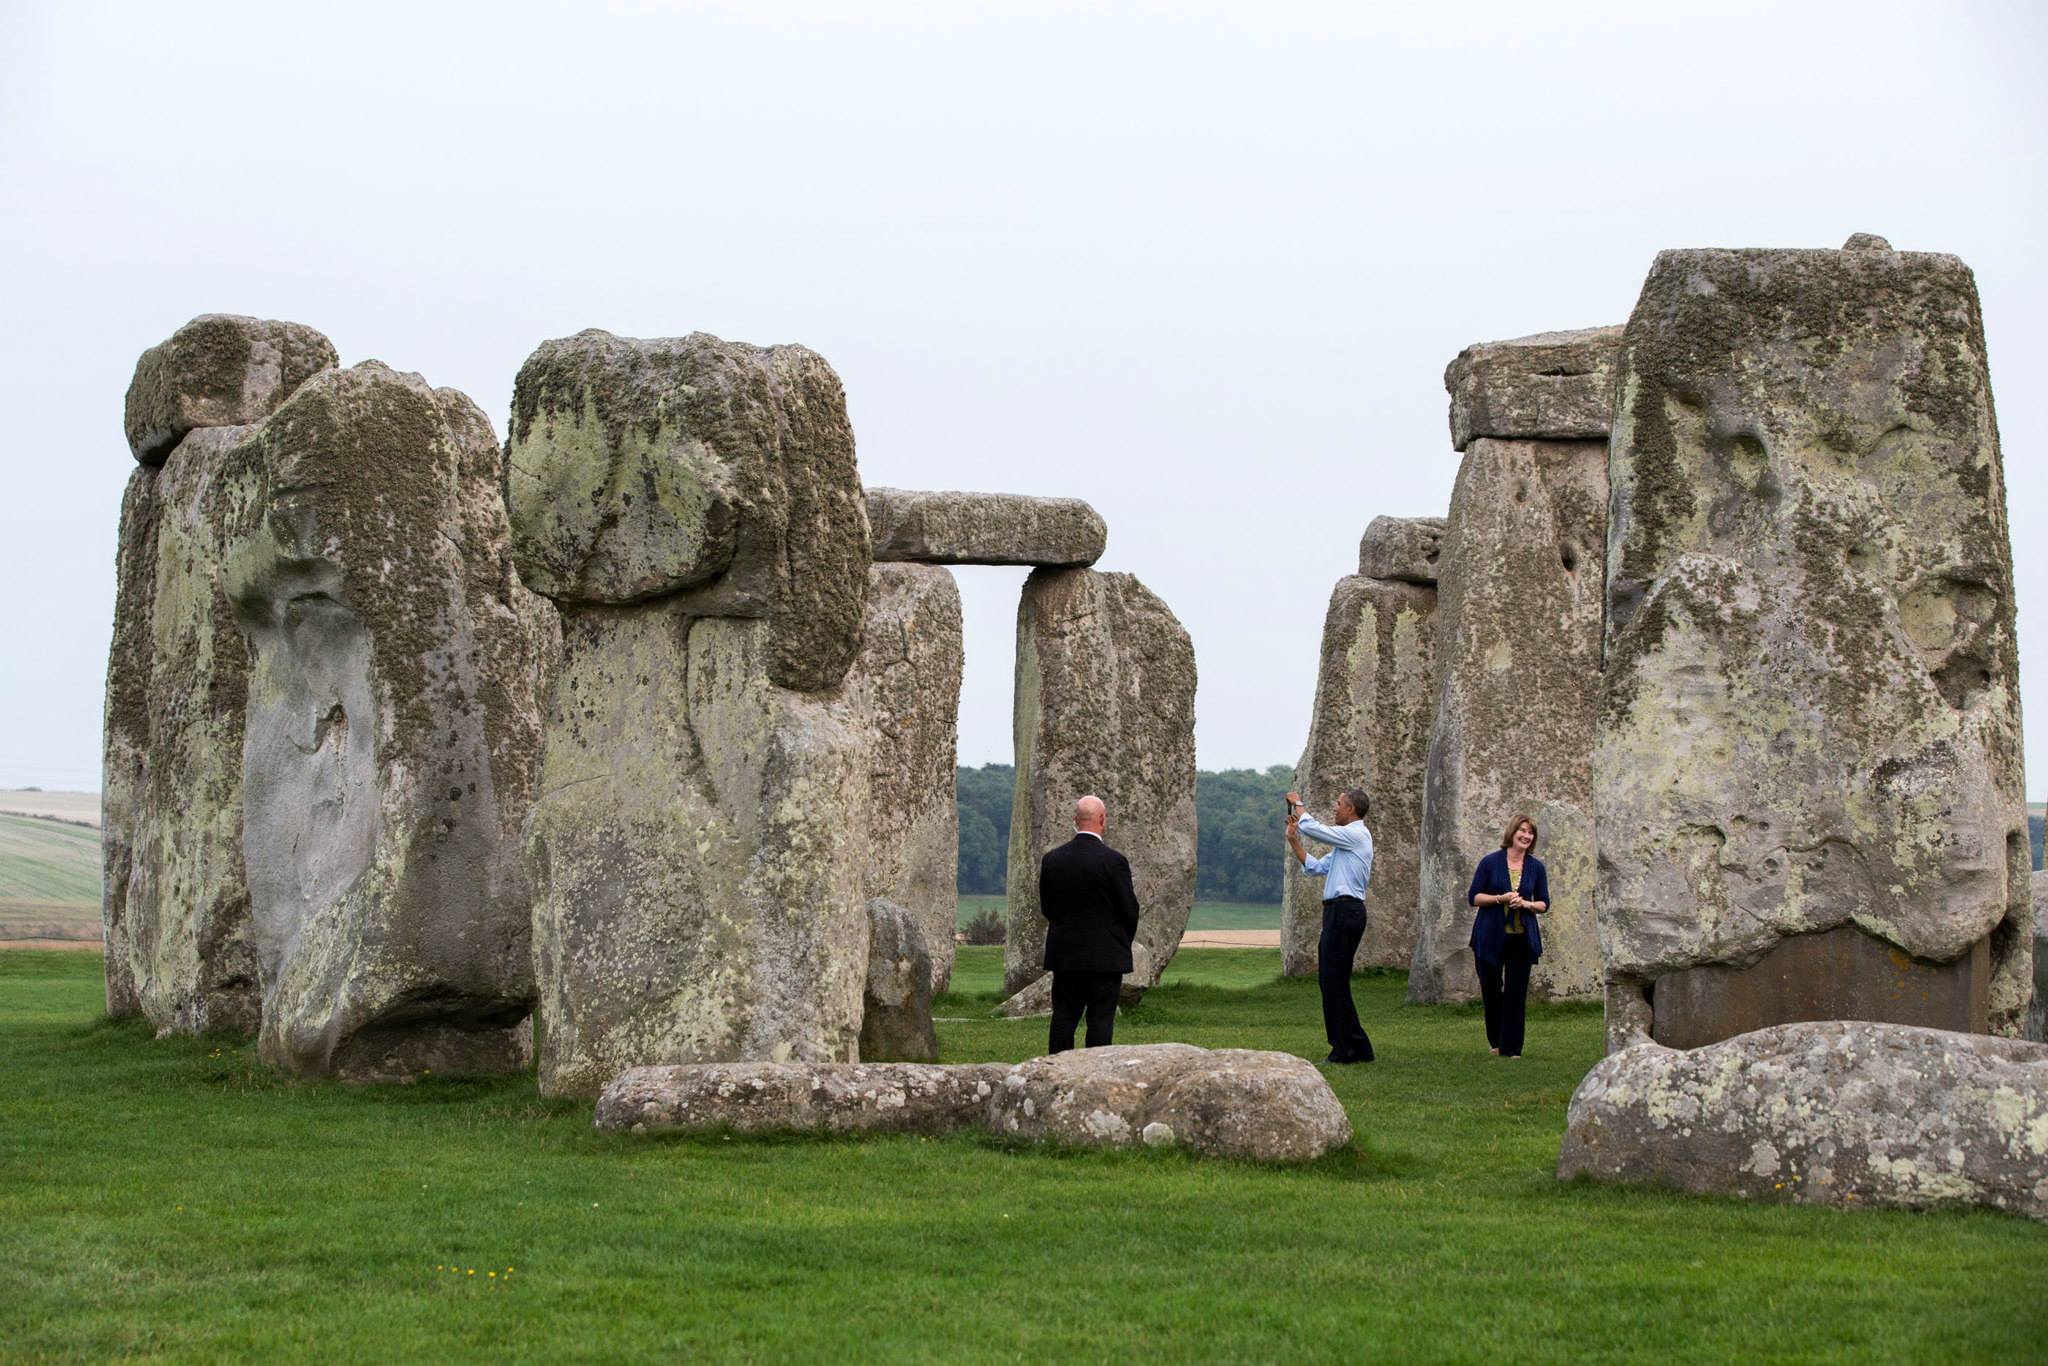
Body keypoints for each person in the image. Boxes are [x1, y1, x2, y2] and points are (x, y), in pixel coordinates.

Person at [1038, 794, 1142, 1053]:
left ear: (1075, 820)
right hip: (1105, 955)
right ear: (1103, 819)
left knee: (1063, 1017)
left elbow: (1047, 907)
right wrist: (1119, 939)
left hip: (1065, 954)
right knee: (1100, 1018)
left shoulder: (1053, 859)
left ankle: (1057, 1069)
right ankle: (1095, 1072)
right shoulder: (1113, 861)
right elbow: (1129, 909)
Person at [1285, 788, 1375, 1064]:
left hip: (1345, 911)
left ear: (1352, 809)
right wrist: (1293, 840)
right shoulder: (1346, 846)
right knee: (1334, 982)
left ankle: (1344, 1048)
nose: (1334, 808)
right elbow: (1314, 867)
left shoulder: (1356, 834)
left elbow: (1315, 829)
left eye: (1338, 804)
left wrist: (1299, 806)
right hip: (1340, 912)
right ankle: (1358, 1046)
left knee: (1332, 981)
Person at [1467, 815, 1550, 1059]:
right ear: (1512, 833)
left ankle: (1512, 1048)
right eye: (1522, 831)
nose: (1526, 836)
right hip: (1490, 936)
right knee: (1491, 989)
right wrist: (1499, 899)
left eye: (1530, 833)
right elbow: (1474, 897)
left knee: (1516, 992)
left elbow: (1545, 903)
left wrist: (1525, 903)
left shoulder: (1536, 867)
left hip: (1521, 938)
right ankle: (1496, 1041)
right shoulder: (1490, 862)